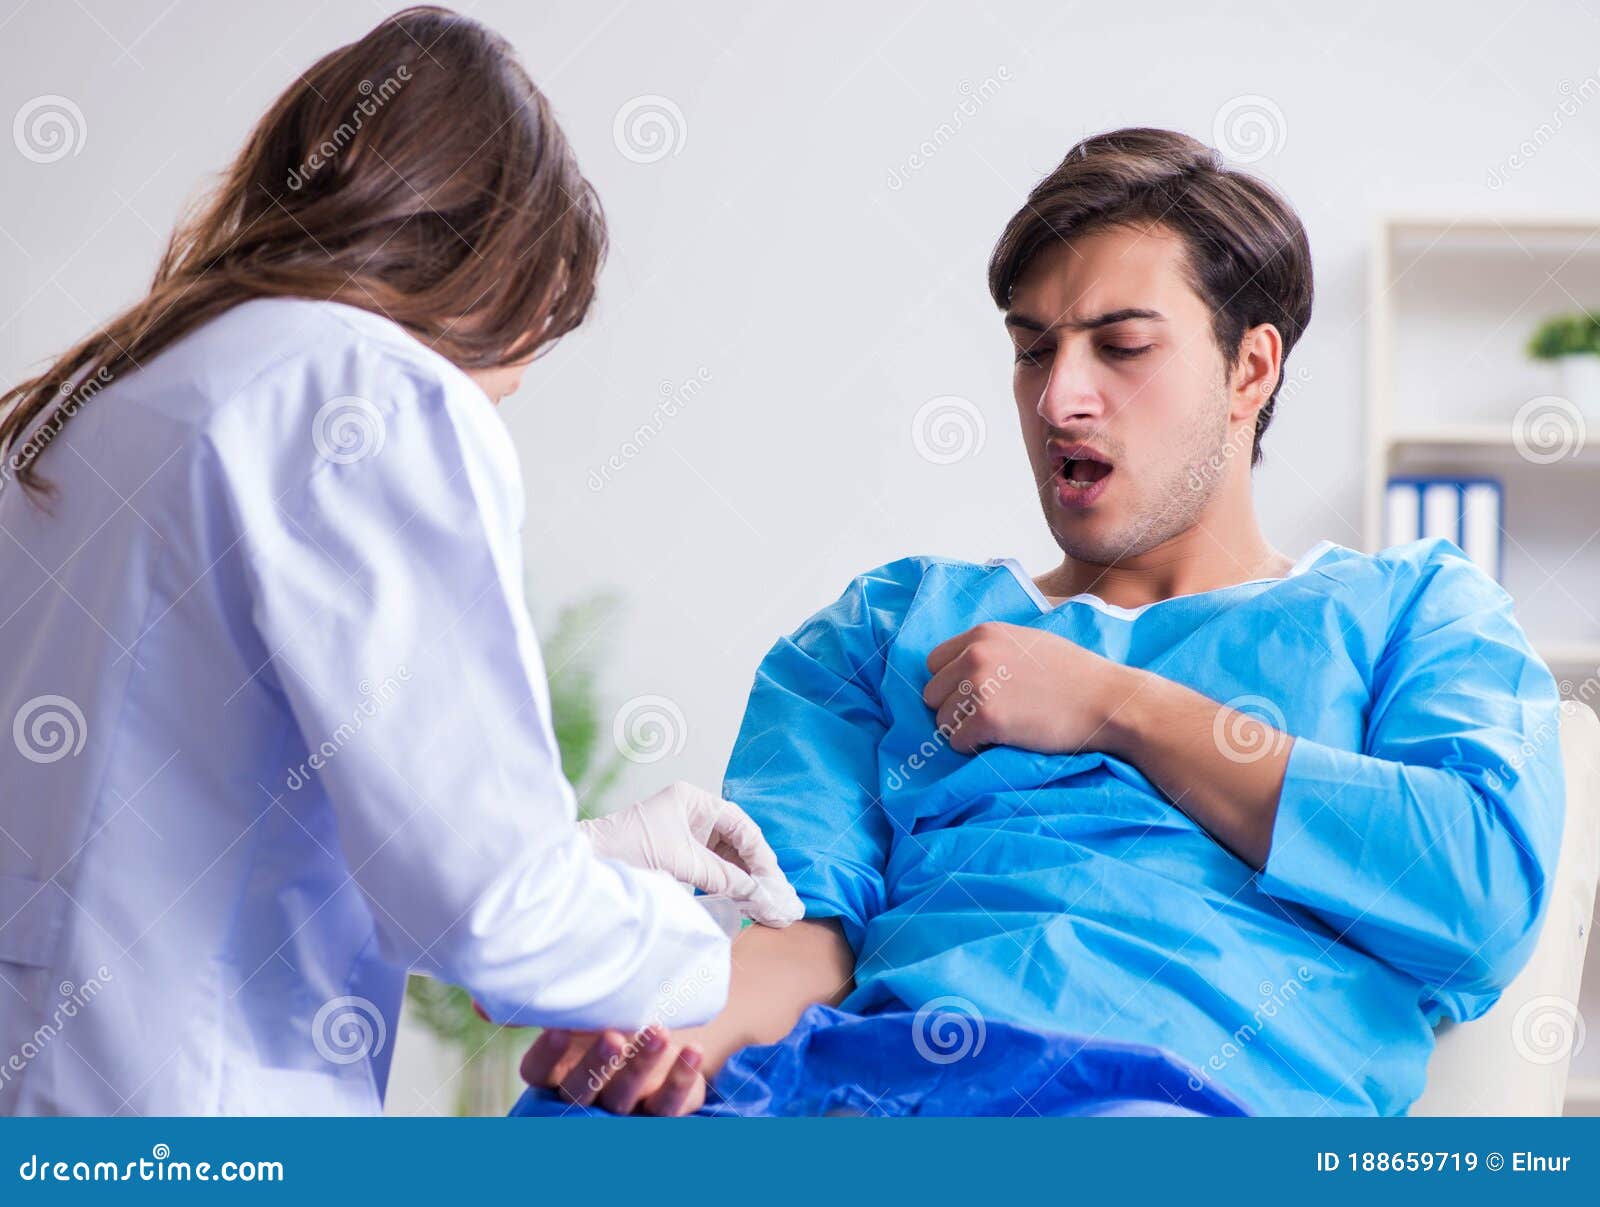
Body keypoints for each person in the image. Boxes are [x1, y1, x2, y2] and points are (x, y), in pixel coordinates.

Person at [514, 127, 1566, 1117]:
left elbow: (1477, 899)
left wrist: (1114, 705)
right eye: (1032, 350)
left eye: (1119, 346)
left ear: (1251, 368)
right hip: (853, 1091)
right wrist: (676, 1040)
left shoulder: (1414, 613)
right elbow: (801, 931)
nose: (1059, 397)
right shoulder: (892, 623)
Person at [0, 7, 798, 1117]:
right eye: (518, 350)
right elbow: (488, 913)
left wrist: (585, 856)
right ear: (499, 268)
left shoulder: (96, 406)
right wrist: (713, 953)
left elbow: (198, 835)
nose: (495, 398)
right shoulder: (369, 390)